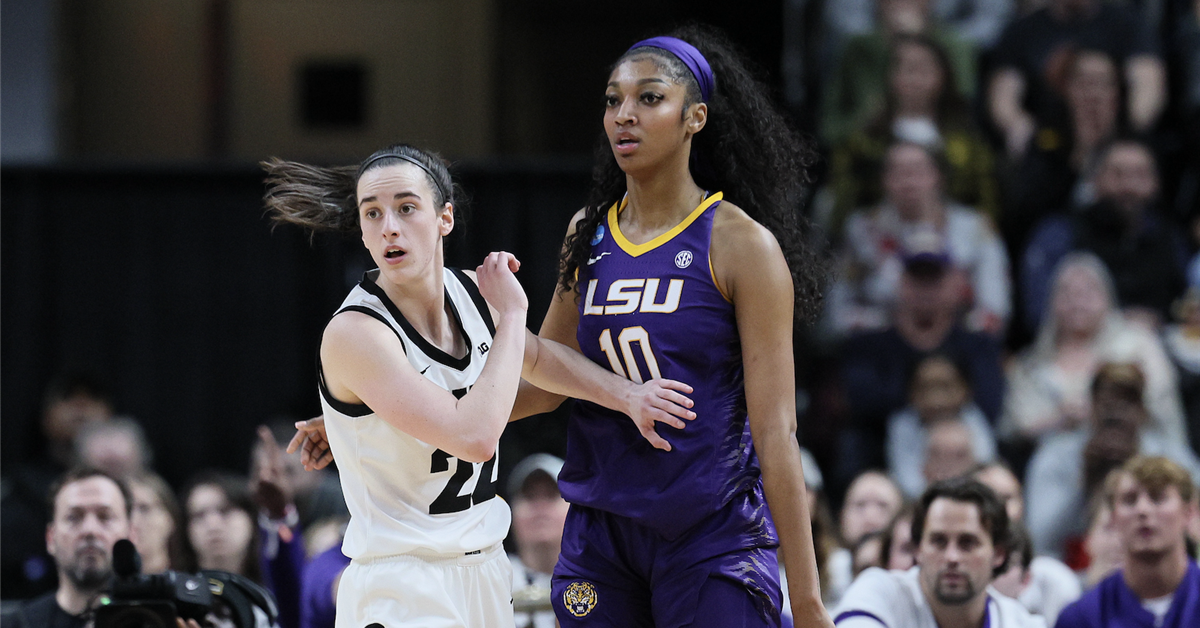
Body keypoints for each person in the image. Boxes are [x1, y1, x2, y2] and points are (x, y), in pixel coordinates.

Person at [266, 143, 697, 628]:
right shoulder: (356, 332)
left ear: (444, 218)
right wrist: (513, 314)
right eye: (373, 213)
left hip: (486, 570)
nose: (389, 226)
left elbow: (542, 371)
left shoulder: (472, 294)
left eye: (406, 208)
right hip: (402, 584)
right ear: (363, 231)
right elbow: (473, 436)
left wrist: (629, 396)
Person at [514, 26, 831, 626]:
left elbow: (776, 432)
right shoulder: (588, 233)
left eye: (650, 98)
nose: (624, 115)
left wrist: (808, 599)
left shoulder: (742, 245)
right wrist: (390, 413)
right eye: (613, 100)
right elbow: (543, 379)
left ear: (695, 118)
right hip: (601, 535)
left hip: (711, 534)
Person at [1002, 254, 1187, 447]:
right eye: (1067, 293)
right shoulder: (1031, 365)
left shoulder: (1138, 343)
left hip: (1141, 448)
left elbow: (1160, 401)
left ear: (1108, 297)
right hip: (1058, 454)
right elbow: (1018, 427)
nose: (1077, 301)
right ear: (1052, 302)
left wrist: (1105, 408)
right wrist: (1060, 419)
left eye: (1088, 291)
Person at [827, 142, 1011, 337]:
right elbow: (837, 315)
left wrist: (942, 331)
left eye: (917, 170)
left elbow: (996, 312)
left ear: (938, 176)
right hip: (881, 342)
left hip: (961, 342)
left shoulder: (976, 228)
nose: (908, 181)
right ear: (884, 179)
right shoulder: (861, 229)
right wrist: (897, 326)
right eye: (898, 172)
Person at [1024, 362, 1200, 559]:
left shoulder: (1168, 457)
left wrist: (1140, 472)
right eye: (1107, 403)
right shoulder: (1057, 457)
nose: (1117, 413)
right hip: (1072, 569)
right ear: (1092, 407)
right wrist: (1084, 481)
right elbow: (1039, 540)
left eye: (1127, 403)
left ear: (1142, 411)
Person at [828, 34, 998, 228]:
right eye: (906, 68)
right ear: (889, 75)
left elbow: (987, 204)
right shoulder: (864, 141)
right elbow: (842, 204)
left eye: (923, 68)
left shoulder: (967, 141)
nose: (915, 78)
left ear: (943, 75)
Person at [1022, 140, 1189, 332]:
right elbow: (1039, 313)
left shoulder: (1171, 237)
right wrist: (1117, 323)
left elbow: (1189, 305)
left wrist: (1162, 321)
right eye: (1117, 174)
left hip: (1161, 343)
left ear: (1156, 183)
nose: (1129, 186)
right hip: (1082, 344)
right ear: (1095, 179)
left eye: (1140, 175)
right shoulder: (1062, 232)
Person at [832, 477, 1044, 628]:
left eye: (967, 543)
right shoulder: (877, 593)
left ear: (998, 554)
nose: (952, 557)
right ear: (918, 550)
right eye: (938, 541)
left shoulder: (1024, 624)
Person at [1055, 456, 1200, 628]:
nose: (1142, 510)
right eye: (1130, 500)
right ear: (1114, 518)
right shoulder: (1081, 619)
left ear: (1189, 512)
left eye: (1157, 498)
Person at [0, 467, 132, 628]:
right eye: (73, 517)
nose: (90, 530)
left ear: (130, 535)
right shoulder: (18, 624)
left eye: (105, 517)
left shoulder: (154, 621)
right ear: (50, 538)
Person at [971, 461, 1083, 625]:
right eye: (987, 499)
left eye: (1007, 498)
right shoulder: (953, 570)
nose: (999, 508)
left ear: (1022, 504)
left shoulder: (1055, 581)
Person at [887, 353, 997, 498]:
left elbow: (987, 468)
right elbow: (906, 483)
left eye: (945, 387)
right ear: (910, 392)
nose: (936, 398)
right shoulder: (902, 425)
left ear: (966, 389)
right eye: (925, 387)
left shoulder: (974, 419)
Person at [506, 454, 568, 628]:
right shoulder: (490, 579)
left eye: (551, 495)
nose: (540, 507)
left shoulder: (599, 576)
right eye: (530, 496)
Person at [127, 471, 185, 574]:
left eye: (144, 509)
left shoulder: (194, 582)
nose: (133, 521)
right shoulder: (103, 582)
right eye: (127, 510)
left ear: (169, 520)